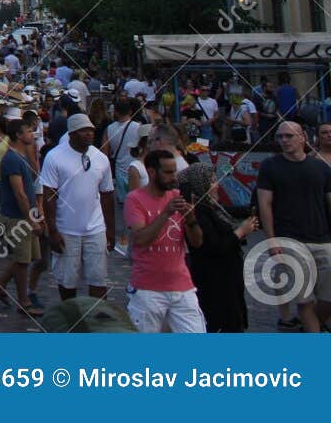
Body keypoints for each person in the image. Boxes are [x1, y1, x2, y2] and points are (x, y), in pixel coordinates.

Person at [255, 121, 331, 332]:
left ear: (302, 137)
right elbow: (265, 205)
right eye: (280, 137)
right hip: (289, 241)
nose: (284, 140)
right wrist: (271, 240)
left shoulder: (319, 167)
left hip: (323, 239)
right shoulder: (270, 166)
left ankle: (313, 326)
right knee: (304, 301)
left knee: (327, 299)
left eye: (289, 136)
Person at [124, 149, 204, 332]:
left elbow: (197, 243)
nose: (173, 177)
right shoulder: (135, 199)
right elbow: (140, 239)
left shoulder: (179, 197)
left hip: (182, 287)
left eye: (174, 171)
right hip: (147, 289)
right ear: (152, 172)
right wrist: (166, 213)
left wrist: (191, 220)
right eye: (167, 172)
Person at [39, 112, 115, 302]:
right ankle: (70, 317)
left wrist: (111, 230)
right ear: (72, 134)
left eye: (91, 130)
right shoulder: (54, 157)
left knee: (98, 278)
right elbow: (49, 196)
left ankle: (97, 319)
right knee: (67, 280)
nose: (89, 134)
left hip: (95, 228)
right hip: (66, 229)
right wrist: (52, 230)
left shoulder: (101, 158)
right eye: (83, 131)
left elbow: (107, 195)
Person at [179, 161, 256, 332]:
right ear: (201, 184)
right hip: (214, 281)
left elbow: (233, 212)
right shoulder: (199, 212)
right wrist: (241, 231)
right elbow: (214, 247)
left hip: (227, 279)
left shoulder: (211, 207)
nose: (216, 185)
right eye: (212, 181)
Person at [0, 118, 43, 315]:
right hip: (17, 218)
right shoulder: (11, 159)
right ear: (18, 134)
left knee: (24, 258)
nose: (31, 134)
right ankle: (23, 302)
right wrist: (30, 219)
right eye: (28, 130)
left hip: (23, 216)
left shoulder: (21, 156)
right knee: (23, 261)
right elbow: (19, 193)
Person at [102, 98, 140, 254]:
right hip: (136, 168)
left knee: (124, 204)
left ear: (116, 112)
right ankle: (131, 233)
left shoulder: (109, 129)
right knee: (137, 202)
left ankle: (124, 236)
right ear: (130, 111)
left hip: (119, 170)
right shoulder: (139, 128)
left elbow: (104, 153)